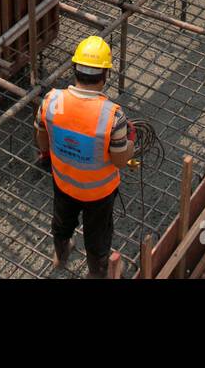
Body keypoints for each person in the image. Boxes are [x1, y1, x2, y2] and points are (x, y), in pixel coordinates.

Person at [36, 36, 133, 278]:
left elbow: (41, 137)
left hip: (63, 183)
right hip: (99, 194)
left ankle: (62, 252)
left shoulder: (51, 100)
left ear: (74, 70)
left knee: (61, 225)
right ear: (105, 75)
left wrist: (50, 155)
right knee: (98, 239)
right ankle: (96, 273)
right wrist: (130, 140)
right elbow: (121, 161)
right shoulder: (114, 116)